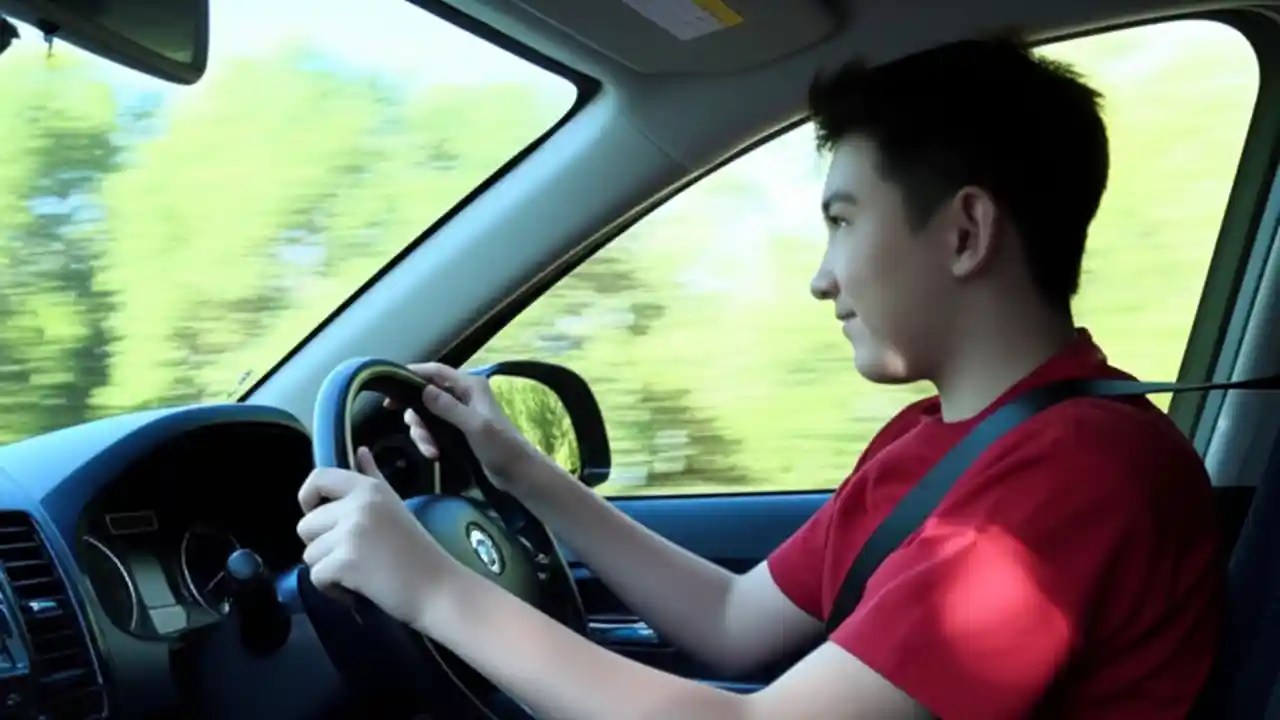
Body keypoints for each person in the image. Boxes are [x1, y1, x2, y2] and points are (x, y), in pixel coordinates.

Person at [294, 36, 1221, 719]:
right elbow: (737, 623)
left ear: (965, 233)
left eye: (844, 222)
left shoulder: (1076, 479)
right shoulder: (934, 441)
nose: (822, 277)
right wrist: (522, 472)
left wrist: (435, 590)